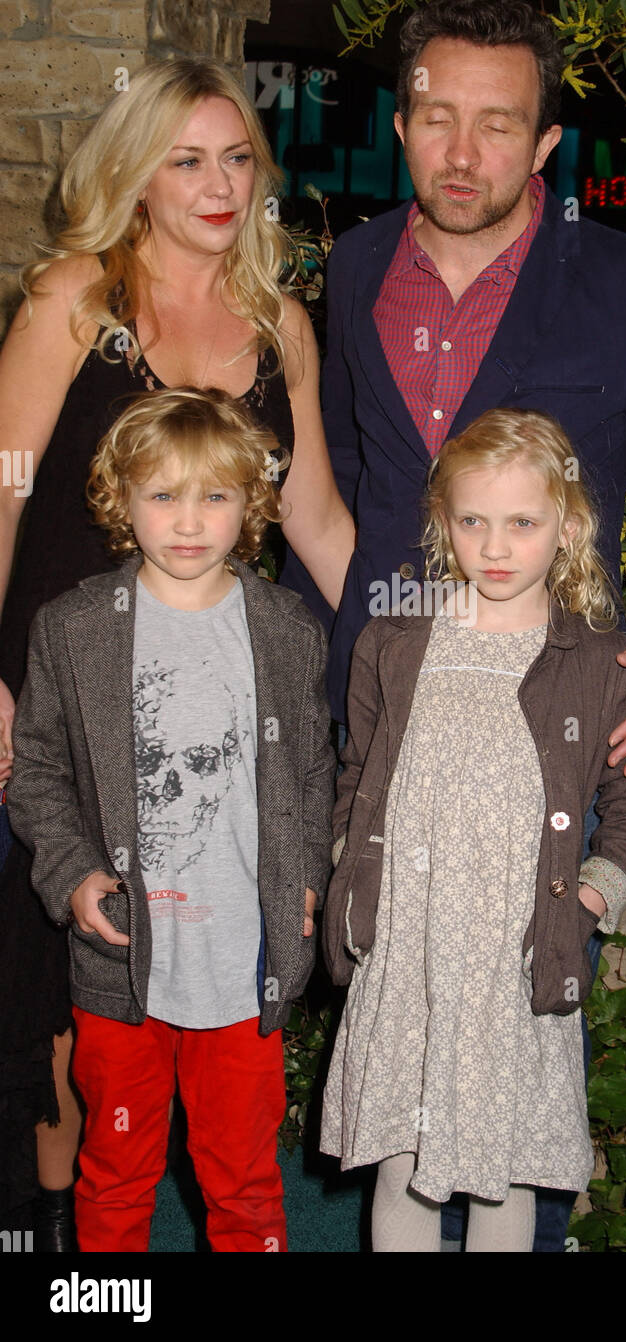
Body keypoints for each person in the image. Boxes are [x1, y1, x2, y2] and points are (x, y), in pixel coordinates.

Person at [280, 0, 626, 1249]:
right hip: (389, 726)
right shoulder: (360, 262)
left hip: (549, 736)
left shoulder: (623, 283)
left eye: (498, 124)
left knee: (520, 1045)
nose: (462, 151)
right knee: (397, 1034)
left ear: (544, 144)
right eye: (437, 116)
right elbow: (353, 486)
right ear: (401, 121)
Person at [0, 55, 354, 1248]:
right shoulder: (74, 301)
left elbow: (317, 528)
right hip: (59, 693)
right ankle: (60, 1241)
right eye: (184, 158)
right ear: (136, 173)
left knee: (158, 973)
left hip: (207, 701)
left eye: (236, 156)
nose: (215, 183)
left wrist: (422, 656)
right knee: (56, 994)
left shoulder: (280, 326)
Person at [319, 408, 626, 1252]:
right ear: (442, 523)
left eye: (523, 522)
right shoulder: (394, 643)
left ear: (568, 526)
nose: (496, 545)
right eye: (472, 521)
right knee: (401, 1157)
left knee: (501, 1166)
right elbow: (355, 775)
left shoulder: (598, 661)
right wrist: (347, 876)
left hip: (516, 956)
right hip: (410, 949)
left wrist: (590, 895)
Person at [6, 387, 335, 1252]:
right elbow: (36, 768)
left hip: (244, 962)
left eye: (215, 496)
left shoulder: (288, 631)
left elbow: (311, 768)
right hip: (120, 968)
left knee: (246, 1184)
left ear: (253, 504)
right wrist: (72, 874)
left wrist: (304, 882)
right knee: (114, 1176)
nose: (188, 522)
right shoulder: (74, 629)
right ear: (121, 499)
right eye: (162, 495)